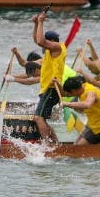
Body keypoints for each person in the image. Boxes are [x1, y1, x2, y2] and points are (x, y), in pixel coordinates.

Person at [32, 10, 67, 142]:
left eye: (47, 41)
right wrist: (36, 24)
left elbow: (40, 41)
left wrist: (41, 21)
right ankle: (55, 144)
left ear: (51, 41)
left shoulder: (57, 47)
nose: (43, 43)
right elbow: (38, 40)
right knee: (42, 118)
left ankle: (48, 146)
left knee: (38, 118)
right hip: (48, 88)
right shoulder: (50, 48)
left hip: (53, 88)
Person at [61, 75, 100, 145]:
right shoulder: (80, 88)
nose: (68, 95)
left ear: (74, 90)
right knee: (77, 148)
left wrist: (68, 104)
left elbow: (87, 104)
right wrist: (57, 83)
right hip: (94, 127)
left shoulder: (90, 92)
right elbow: (81, 109)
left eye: (69, 93)